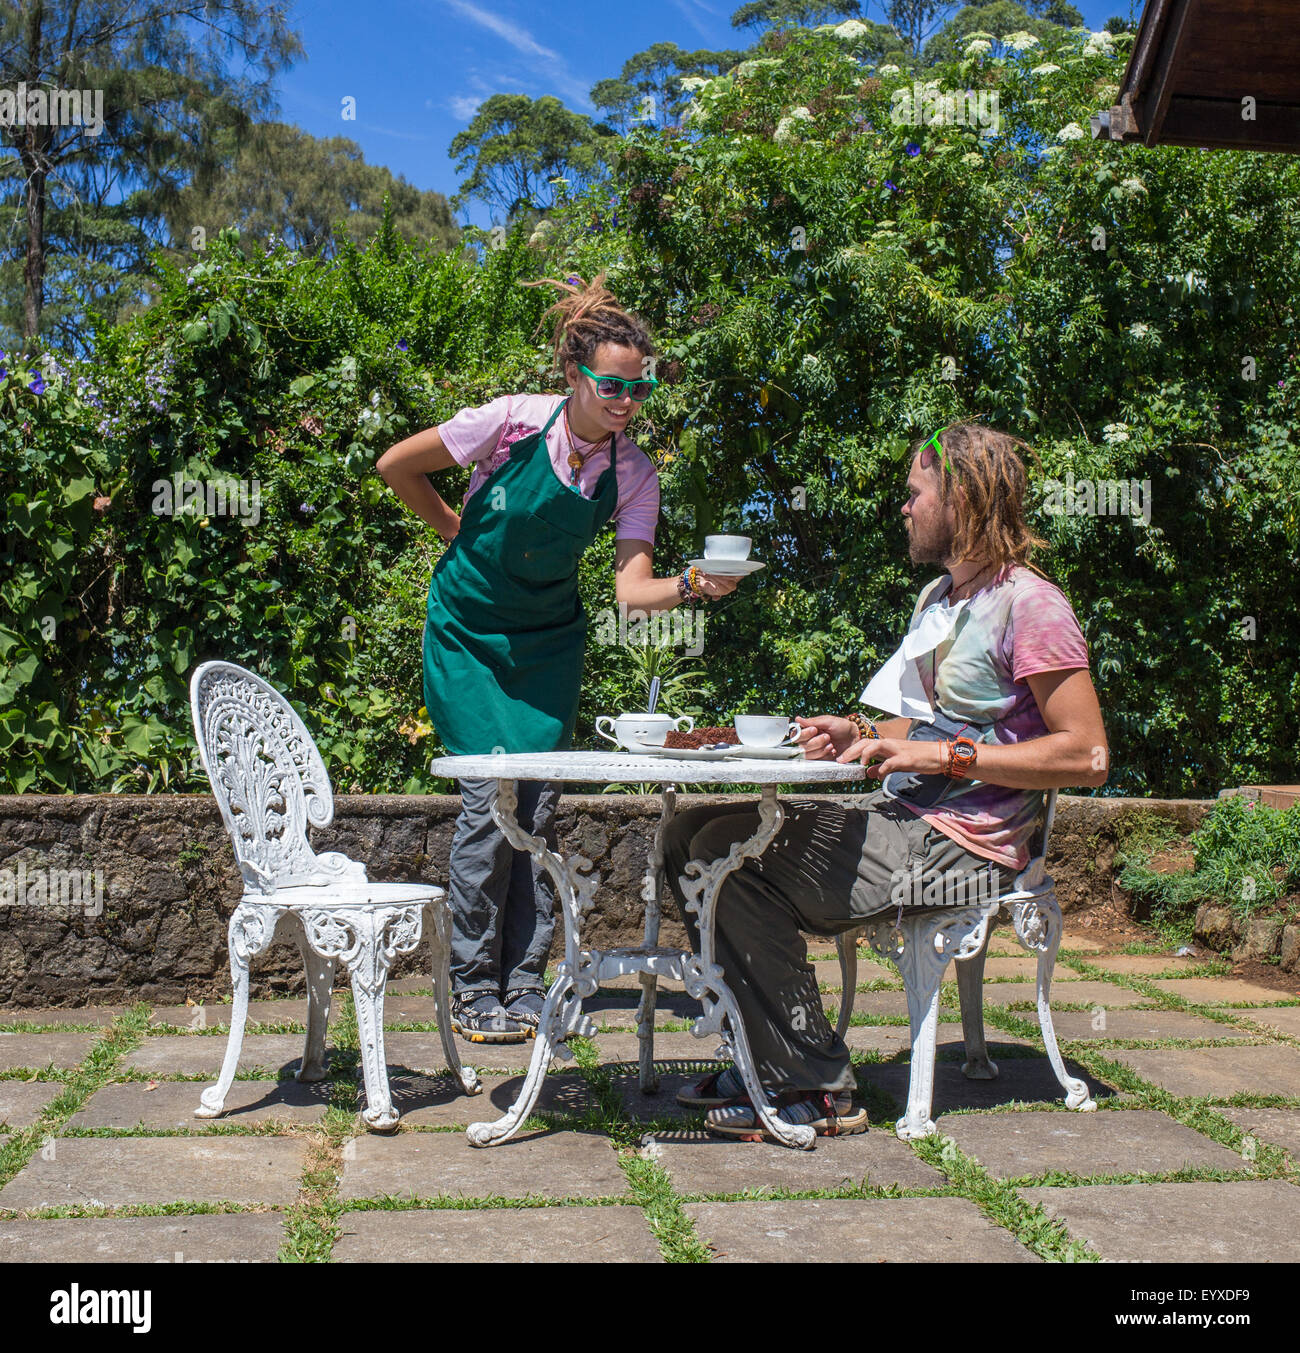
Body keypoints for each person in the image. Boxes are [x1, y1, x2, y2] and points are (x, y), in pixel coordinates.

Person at [661, 423, 1109, 1139]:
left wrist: (947, 759)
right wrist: (862, 732)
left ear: (959, 497)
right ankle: (763, 1053)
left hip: (967, 846)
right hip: (904, 815)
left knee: (729, 862)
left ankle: (816, 1083)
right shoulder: (940, 595)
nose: (904, 507)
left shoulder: (1032, 604)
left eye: (915, 493)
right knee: (687, 834)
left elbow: (1087, 756)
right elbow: (923, 730)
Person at [377, 274, 739, 1042]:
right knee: (488, 804)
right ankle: (474, 987)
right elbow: (395, 466)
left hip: (547, 645)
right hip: (471, 633)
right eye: (613, 385)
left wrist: (696, 584)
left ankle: (524, 983)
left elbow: (634, 592)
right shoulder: (507, 425)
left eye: (639, 389)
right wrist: (455, 532)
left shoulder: (632, 473)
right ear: (576, 375)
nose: (628, 401)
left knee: (538, 813)